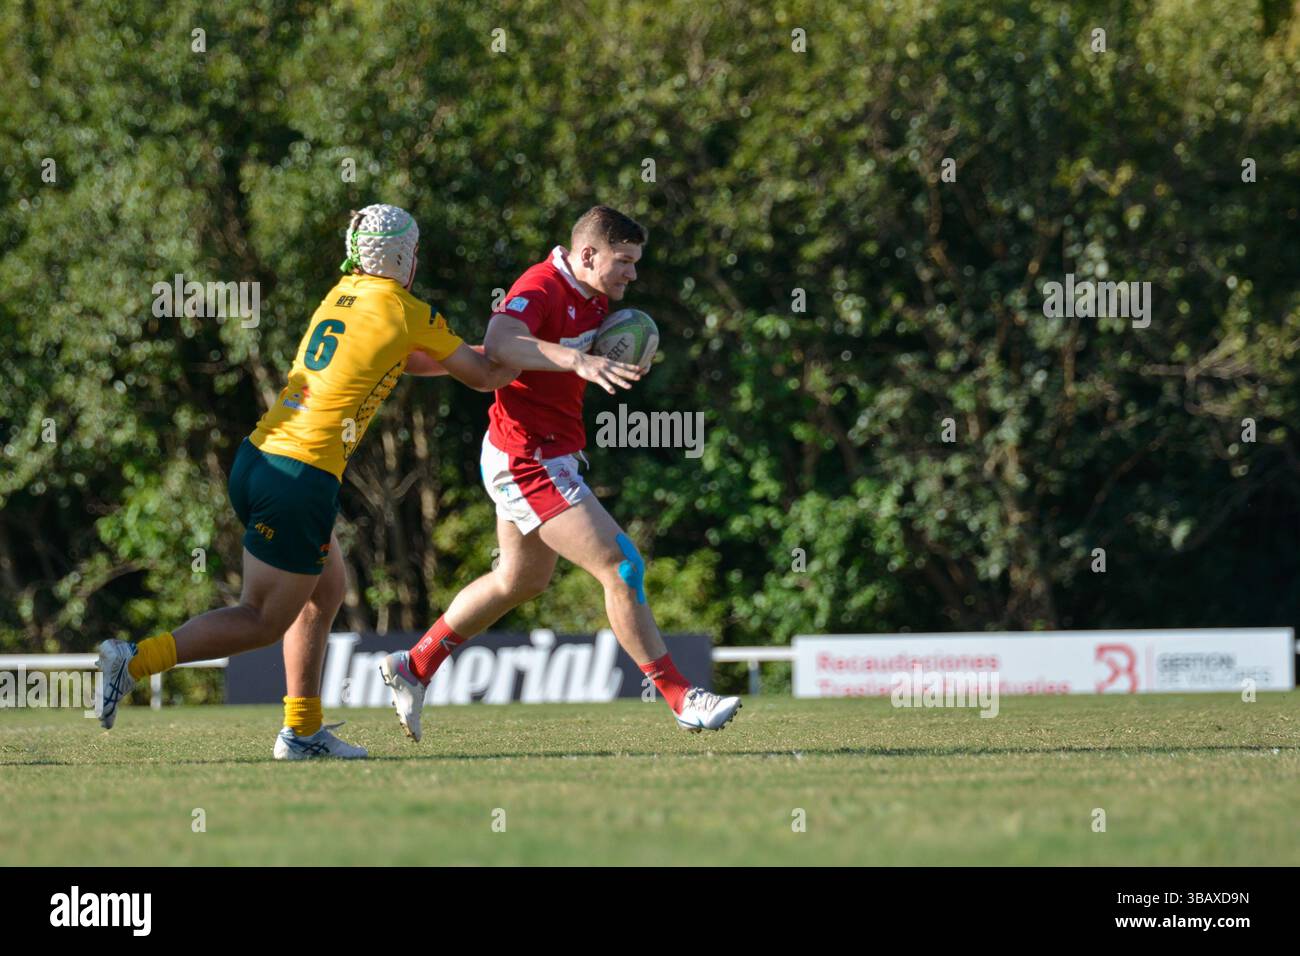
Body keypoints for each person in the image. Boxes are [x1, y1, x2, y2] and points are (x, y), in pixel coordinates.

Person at [96, 203, 517, 759]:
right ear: (403, 258)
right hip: (302, 478)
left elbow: (404, 359)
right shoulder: (408, 310)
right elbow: (487, 376)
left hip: (260, 458)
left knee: (325, 590)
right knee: (262, 620)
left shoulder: (342, 293)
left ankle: (302, 730)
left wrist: (477, 356)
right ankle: (135, 659)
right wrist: (541, 354)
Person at [380, 205, 741, 737]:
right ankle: (681, 697)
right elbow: (502, 342)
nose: (632, 274)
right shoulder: (543, 284)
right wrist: (580, 361)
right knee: (623, 567)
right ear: (588, 254)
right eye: (624, 260)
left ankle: (414, 666)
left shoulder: (596, 297)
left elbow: (506, 357)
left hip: (541, 452)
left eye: (636, 262)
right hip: (527, 458)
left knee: (519, 579)